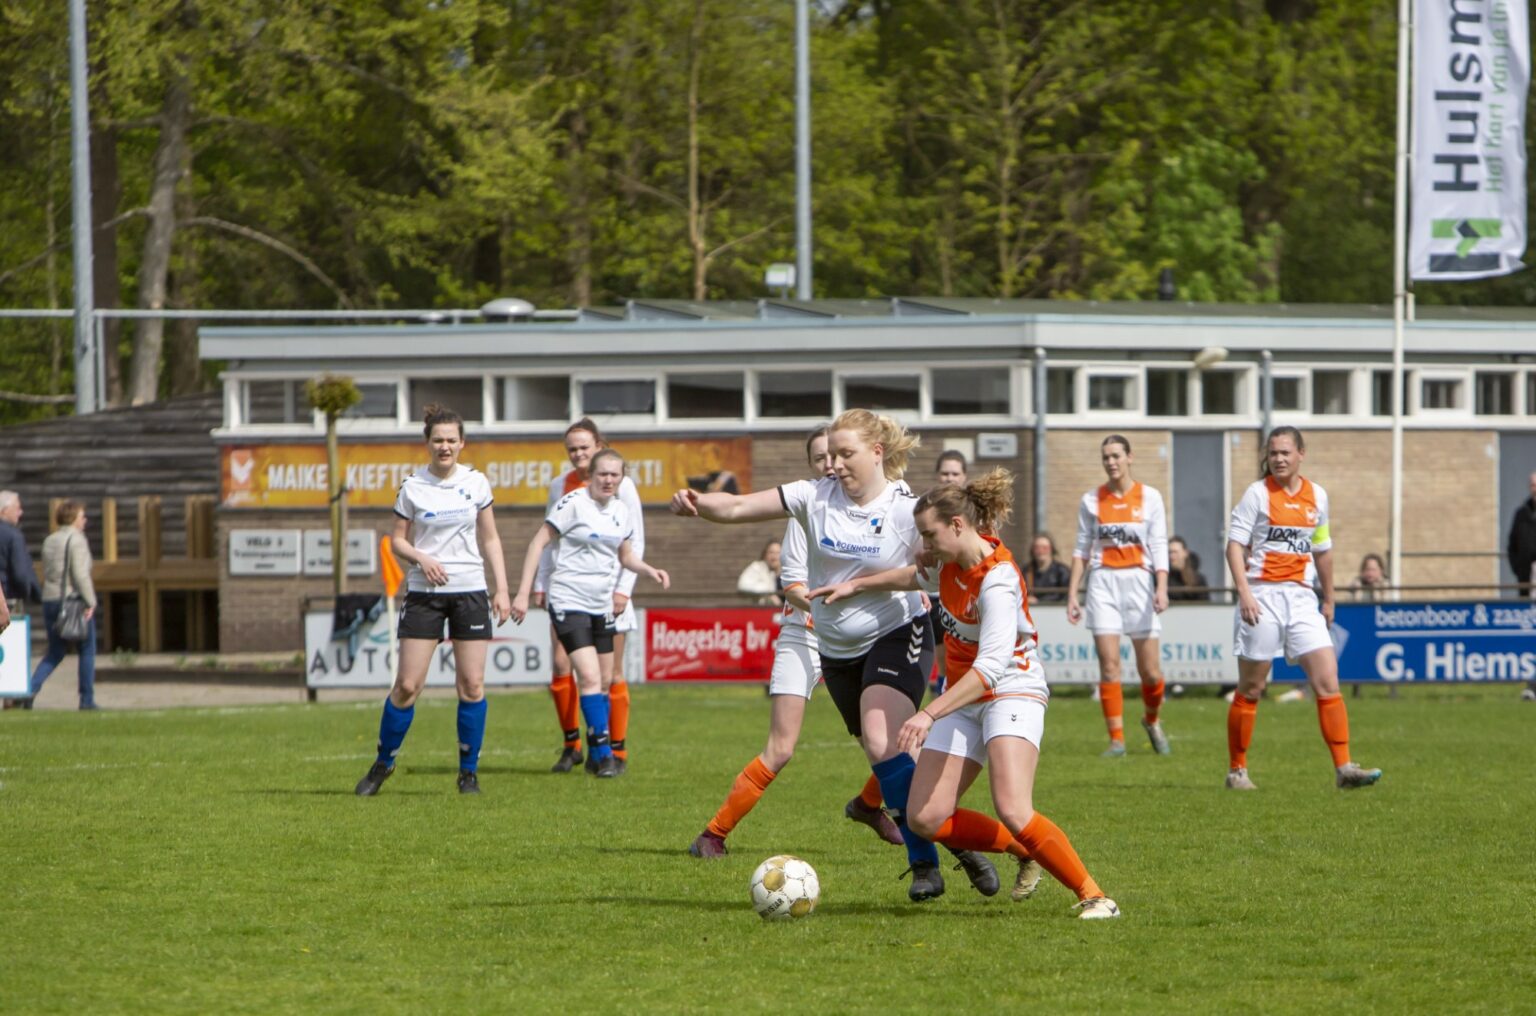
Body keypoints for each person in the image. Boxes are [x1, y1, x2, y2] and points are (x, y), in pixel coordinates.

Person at [672, 408, 998, 903]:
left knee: (880, 738)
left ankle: (927, 862)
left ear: (876, 452)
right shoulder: (812, 495)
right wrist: (699, 504)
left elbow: (929, 573)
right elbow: (737, 506)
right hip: (835, 650)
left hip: (896, 631)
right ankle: (950, 838)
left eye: (846, 454)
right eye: (832, 455)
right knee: (882, 754)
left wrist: (864, 584)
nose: (836, 465)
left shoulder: (903, 508)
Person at [817, 471, 1121, 919]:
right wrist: (858, 585)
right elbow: (912, 577)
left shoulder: (997, 580)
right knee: (924, 817)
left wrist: (927, 715)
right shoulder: (945, 563)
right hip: (966, 697)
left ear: (957, 525)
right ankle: (1028, 850)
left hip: (1011, 691)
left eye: (929, 534)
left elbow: (991, 669)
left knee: (1014, 806)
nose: (923, 545)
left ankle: (1095, 896)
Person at [688, 427, 903, 858]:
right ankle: (713, 834)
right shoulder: (807, 506)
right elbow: (792, 586)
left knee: (887, 747)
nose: (830, 465)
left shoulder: (884, 501)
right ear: (812, 466)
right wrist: (834, 606)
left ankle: (868, 805)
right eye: (821, 458)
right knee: (781, 748)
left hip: (862, 639)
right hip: (803, 636)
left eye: (837, 455)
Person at [354, 404, 511, 797]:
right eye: (438, 440)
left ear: (462, 443)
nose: (445, 447)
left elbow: (490, 538)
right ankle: (384, 762)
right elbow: (397, 541)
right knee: (407, 684)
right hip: (425, 595)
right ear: (427, 443)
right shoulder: (412, 486)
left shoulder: (476, 483)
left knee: (472, 685)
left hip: (470, 591)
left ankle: (468, 773)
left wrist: (503, 588)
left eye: (451, 440)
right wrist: (422, 558)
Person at [1224, 426, 1382, 791]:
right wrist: (1245, 593)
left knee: (1328, 677)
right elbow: (1235, 546)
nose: (1278, 459)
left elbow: (1322, 551)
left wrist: (1328, 597)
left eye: (1285, 452)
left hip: (1300, 597)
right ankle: (1237, 770)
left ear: (1300, 454)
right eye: (1273, 453)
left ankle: (1344, 768)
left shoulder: (1318, 496)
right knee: (1252, 684)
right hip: (1262, 596)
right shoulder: (1257, 494)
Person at [513, 449, 669, 777]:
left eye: (615, 475)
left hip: (601, 604)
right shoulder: (572, 504)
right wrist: (524, 592)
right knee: (589, 676)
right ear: (591, 476)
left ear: (621, 478)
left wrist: (649, 569)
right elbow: (537, 543)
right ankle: (604, 753)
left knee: (603, 681)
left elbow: (625, 555)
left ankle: (598, 754)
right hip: (569, 601)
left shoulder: (621, 511)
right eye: (603, 474)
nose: (609, 480)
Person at [536, 419, 646, 774]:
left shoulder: (620, 484)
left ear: (599, 446)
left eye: (585, 447)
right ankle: (573, 745)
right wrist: (541, 583)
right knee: (561, 663)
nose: (579, 454)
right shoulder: (561, 487)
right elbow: (549, 541)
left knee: (609, 673)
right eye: (572, 449)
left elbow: (634, 540)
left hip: (608, 592)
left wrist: (622, 589)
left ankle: (617, 749)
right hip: (568, 591)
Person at [1066, 435, 1173, 757]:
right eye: (1106, 457)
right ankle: (1116, 741)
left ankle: (1151, 720)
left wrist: (1162, 586)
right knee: (1109, 665)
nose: (1111, 462)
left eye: (1116, 456)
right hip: (1102, 583)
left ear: (1129, 457)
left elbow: (1158, 544)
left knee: (1150, 672)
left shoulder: (1150, 497)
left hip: (1140, 582)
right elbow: (1082, 549)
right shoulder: (1091, 500)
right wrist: (1073, 593)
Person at [22, 500, 98, 710]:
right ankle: (86, 699)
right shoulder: (77, 540)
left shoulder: (50, 540)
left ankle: (30, 689)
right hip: (72, 601)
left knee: (55, 651)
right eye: (82, 517)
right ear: (73, 518)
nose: (85, 521)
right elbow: (80, 575)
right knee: (87, 649)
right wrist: (91, 601)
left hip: (50, 599)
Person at [0, 490, 42, 608]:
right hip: (8, 597)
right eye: (17, 508)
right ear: (5, 510)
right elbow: (20, 573)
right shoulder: (14, 536)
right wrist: (27, 593)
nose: (20, 512)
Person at [1507, 471, 1536, 600]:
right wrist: (1518, 568)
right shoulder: (1521, 514)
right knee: (1526, 610)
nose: (1535, 489)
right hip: (1525, 574)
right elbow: (1512, 545)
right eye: (1533, 485)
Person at [1024, 533, 1071, 603]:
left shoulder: (1062, 571)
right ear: (1032, 550)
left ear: (1052, 550)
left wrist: (1039, 601)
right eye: (1037, 548)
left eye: (1045, 548)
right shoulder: (1026, 571)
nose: (1041, 551)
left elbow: (1065, 596)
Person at [736, 539, 783, 606]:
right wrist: (769, 593)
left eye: (778, 553)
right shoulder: (757, 567)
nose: (774, 556)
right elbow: (743, 585)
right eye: (771, 552)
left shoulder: (785, 572)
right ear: (765, 554)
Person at [1167, 536, 1211, 602]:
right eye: (1170, 552)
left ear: (1185, 553)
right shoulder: (1164, 578)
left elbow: (1205, 604)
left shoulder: (1198, 579)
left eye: (1175, 552)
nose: (1172, 556)